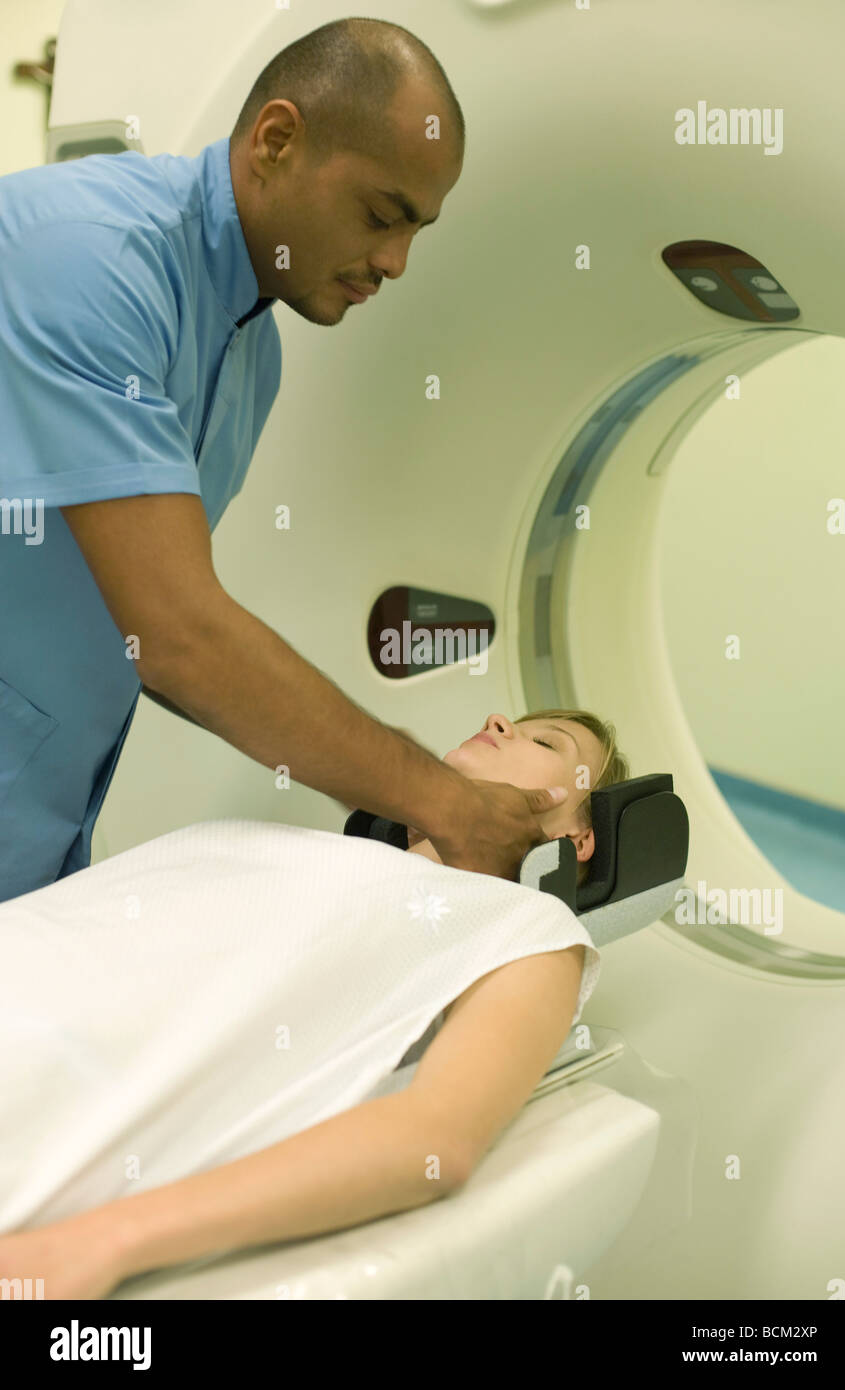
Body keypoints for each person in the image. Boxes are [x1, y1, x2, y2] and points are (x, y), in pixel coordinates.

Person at [0, 17, 560, 904]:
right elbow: (181, 638)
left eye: (419, 230)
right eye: (382, 216)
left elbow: (139, 638)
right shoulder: (85, 260)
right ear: (276, 140)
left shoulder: (252, 357)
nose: (396, 262)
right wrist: (442, 800)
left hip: (35, 834)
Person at [0, 708, 629, 1300]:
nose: (497, 721)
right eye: (511, 722)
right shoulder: (294, 845)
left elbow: (435, 1138)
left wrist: (99, 1244)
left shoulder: (526, 925)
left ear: (579, 837)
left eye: (546, 744)